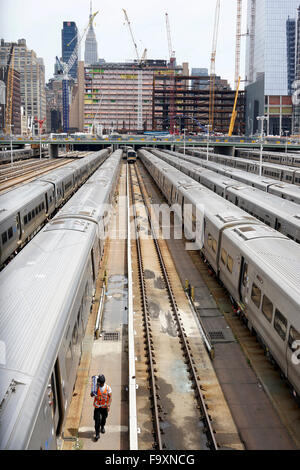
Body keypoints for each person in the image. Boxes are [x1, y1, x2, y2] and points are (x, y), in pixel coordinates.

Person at [91, 374, 112, 441]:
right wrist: (92, 393)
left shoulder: (108, 388)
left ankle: (102, 426)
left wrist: (108, 406)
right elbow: (91, 395)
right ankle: (97, 434)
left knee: (104, 418)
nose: (97, 383)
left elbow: (110, 397)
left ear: (100, 382)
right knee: (97, 420)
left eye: (98, 382)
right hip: (97, 407)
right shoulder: (95, 387)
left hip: (104, 406)